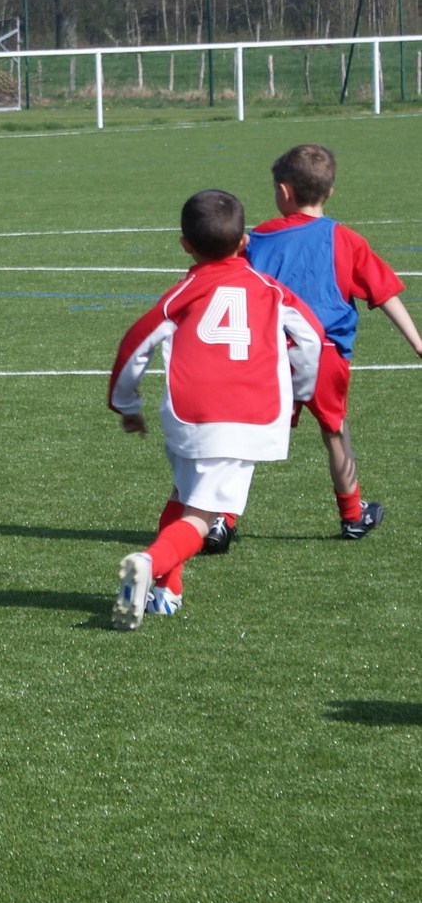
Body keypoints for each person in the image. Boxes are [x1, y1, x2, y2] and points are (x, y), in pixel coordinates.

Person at [107, 189, 323, 631]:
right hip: (245, 417)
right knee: (204, 518)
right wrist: (300, 391)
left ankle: (168, 590)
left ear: (184, 243)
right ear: (245, 241)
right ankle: (150, 563)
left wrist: (127, 404)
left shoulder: (180, 293)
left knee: (185, 495)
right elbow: (312, 342)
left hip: (187, 415)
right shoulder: (270, 290)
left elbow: (135, 346)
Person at [207, 142, 422, 548]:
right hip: (324, 357)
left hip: (271, 356)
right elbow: (385, 293)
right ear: (329, 193)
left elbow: (232, 287)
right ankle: (353, 516)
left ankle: (221, 518)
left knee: (247, 438)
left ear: (284, 192)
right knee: (336, 433)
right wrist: (417, 342)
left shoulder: (257, 240)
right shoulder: (345, 240)